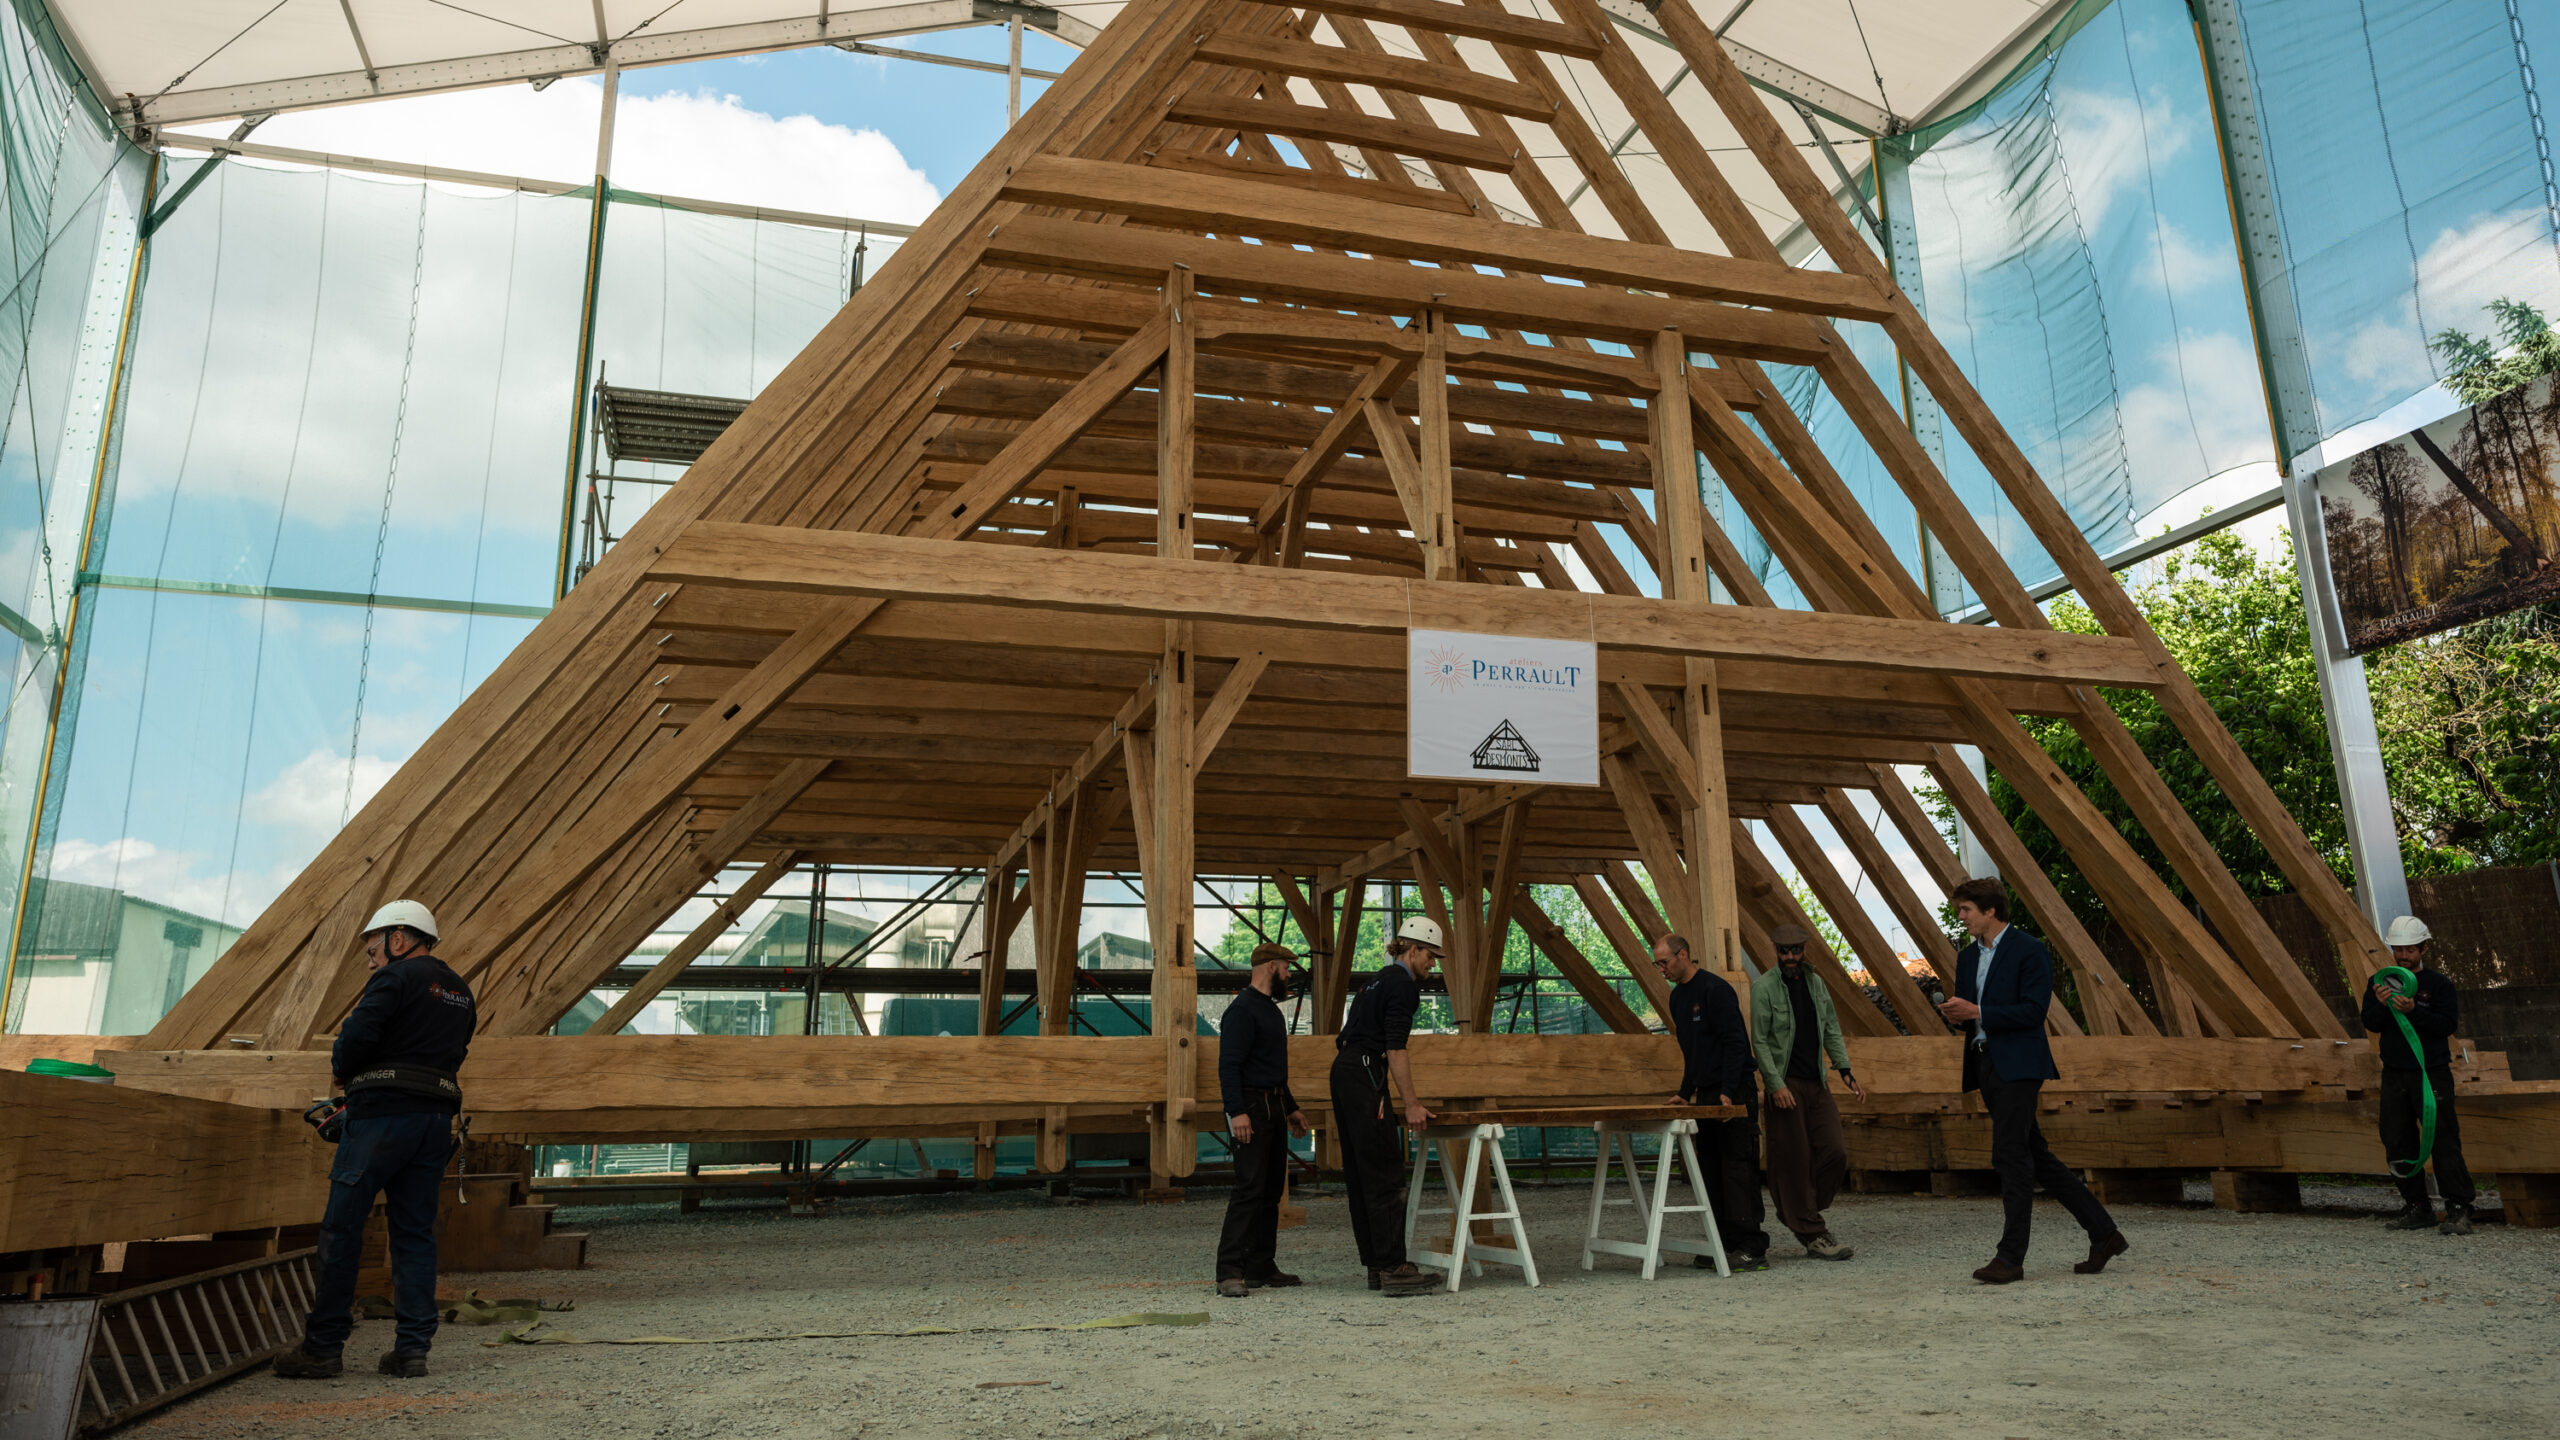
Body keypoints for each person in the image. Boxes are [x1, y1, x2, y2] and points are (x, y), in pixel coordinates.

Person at [275, 902, 476, 1380]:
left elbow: (355, 1038)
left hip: (381, 1120)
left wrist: (345, 1074)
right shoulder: (462, 992)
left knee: (342, 1230)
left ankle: (322, 1349)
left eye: (374, 948)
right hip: (433, 1124)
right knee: (414, 1236)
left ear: (400, 940)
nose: (371, 958)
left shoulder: (394, 979)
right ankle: (411, 1352)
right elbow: (454, 1051)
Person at [1938, 877, 2127, 1284]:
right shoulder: (1967, 958)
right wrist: (1957, 1016)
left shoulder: (2030, 950)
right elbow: (1970, 1015)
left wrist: (1977, 1012)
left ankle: (2010, 1258)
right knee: (2035, 1155)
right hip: (1984, 1063)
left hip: (2021, 1065)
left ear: (1991, 911)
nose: (1961, 917)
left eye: (1966, 909)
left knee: (2011, 1156)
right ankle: (2104, 1233)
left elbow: (2032, 1012)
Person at [1329, 915, 1445, 1297]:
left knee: (1362, 1174)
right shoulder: (1402, 985)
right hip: (1365, 1071)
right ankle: (1396, 1267)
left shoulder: (1373, 982)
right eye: (1430, 955)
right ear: (1413, 949)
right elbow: (1395, 1047)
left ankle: (1377, 1266)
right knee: (1385, 1171)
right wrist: (1410, 1103)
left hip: (1345, 1070)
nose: (1433, 963)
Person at [1651, 932, 1769, 1271]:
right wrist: (1685, 1092)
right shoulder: (1677, 999)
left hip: (1733, 1089)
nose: (1662, 969)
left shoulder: (1715, 990)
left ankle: (1751, 1246)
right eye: (1656, 964)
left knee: (1737, 1167)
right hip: (1705, 1093)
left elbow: (1735, 1043)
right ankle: (1723, 1243)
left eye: (1665, 962)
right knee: (1711, 1169)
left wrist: (1729, 1092)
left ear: (1683, 955)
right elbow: (1692, 1052)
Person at [1747, 923, 1864, 1261]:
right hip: (1786, 1083)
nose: (1790, 957)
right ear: (1776, 951)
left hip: (1816, 1083)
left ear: (1805, 950)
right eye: (1784, 951)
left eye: (1795, 950)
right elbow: (1761, 1041)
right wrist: (1775, 1085)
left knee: (1834, 1152)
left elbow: (1830, 1027)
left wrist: (1845, 1070)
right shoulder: (1764, 988)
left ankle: (1801, 1209)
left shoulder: (1816, 984)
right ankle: (1813, 1232)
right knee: (1793, 1159)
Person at [2363, 915, 2476, 1235]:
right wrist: (2383, 1006)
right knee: (2396, 1139)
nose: (2403, 956)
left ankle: (2458, 1207)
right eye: (2398, 949)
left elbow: (2446, 1025)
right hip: (2395, 1074)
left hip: (2432, 1073)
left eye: (2410, 949)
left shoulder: (2439, 985)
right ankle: (2416, 1206)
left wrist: (2416, 1011)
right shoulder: (2379, 982)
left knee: (2443, 1140)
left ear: (2424, 948)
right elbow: (2370, 1023)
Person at [1216, 943, 1312, 1297]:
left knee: (1271, 1190)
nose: (1289, 975)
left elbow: (1273, 1070)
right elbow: (1229, 1066)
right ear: (1271, 966)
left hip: (1271, 1104)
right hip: (1252, 1108)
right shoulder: (1242, 1011)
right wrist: (1236, 1111)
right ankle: (1228, 1271)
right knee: (1248, 1189)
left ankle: (1260, 1265)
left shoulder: (1269, 1011)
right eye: (1287, 968)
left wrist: (1291, 1107)